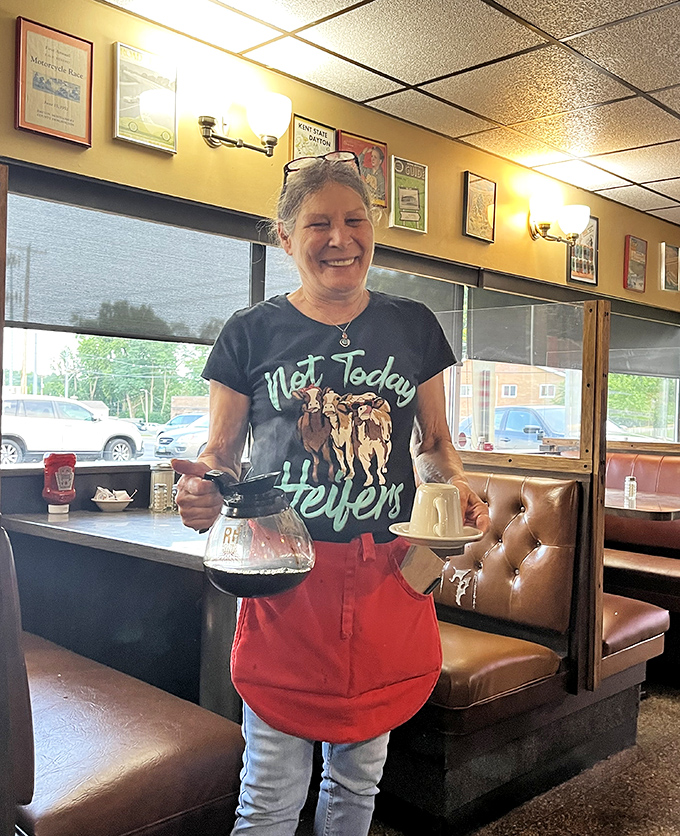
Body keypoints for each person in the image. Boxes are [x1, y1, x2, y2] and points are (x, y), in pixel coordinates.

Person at [173, 150, 490, 836]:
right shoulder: (248, 333)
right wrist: (203, 491)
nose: (340, 238)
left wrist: (458, 489)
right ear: (285, 237)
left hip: (387, 579)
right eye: (318, 223)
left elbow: (434, 445)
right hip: (287, 578)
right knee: (270, 789)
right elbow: (220, 453)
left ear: (374, 228)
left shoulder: (415, 327)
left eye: (355, 220)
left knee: (357, 782)